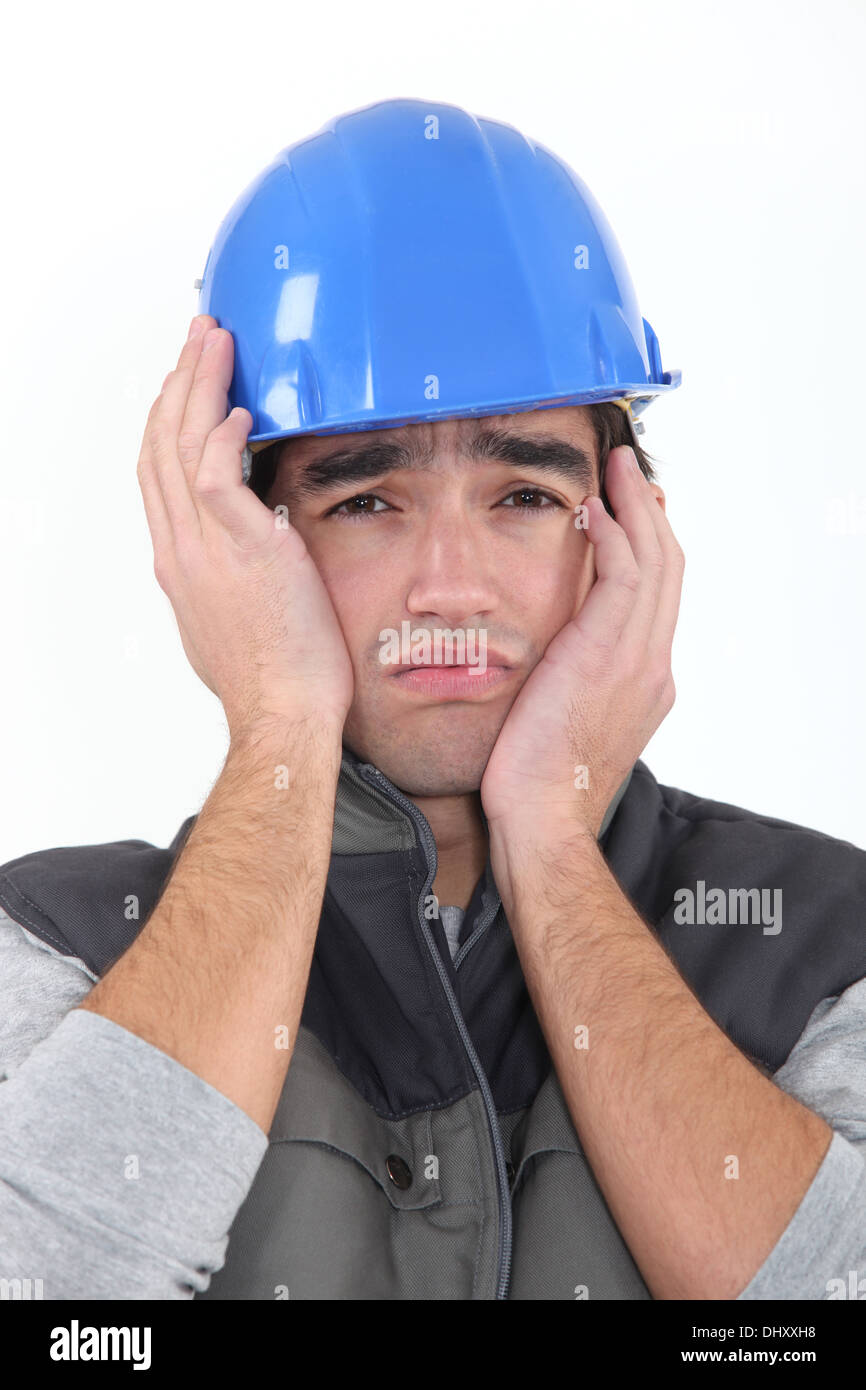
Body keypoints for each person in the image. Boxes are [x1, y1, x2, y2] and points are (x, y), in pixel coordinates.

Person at [1, 98, 864, 1303]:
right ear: (239, 539)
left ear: (625, 530)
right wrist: (279, 729)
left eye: (520, 492)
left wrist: (550, 840)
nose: (449, 584)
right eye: (364, 501)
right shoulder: (57, 945)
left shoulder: (823, 943)